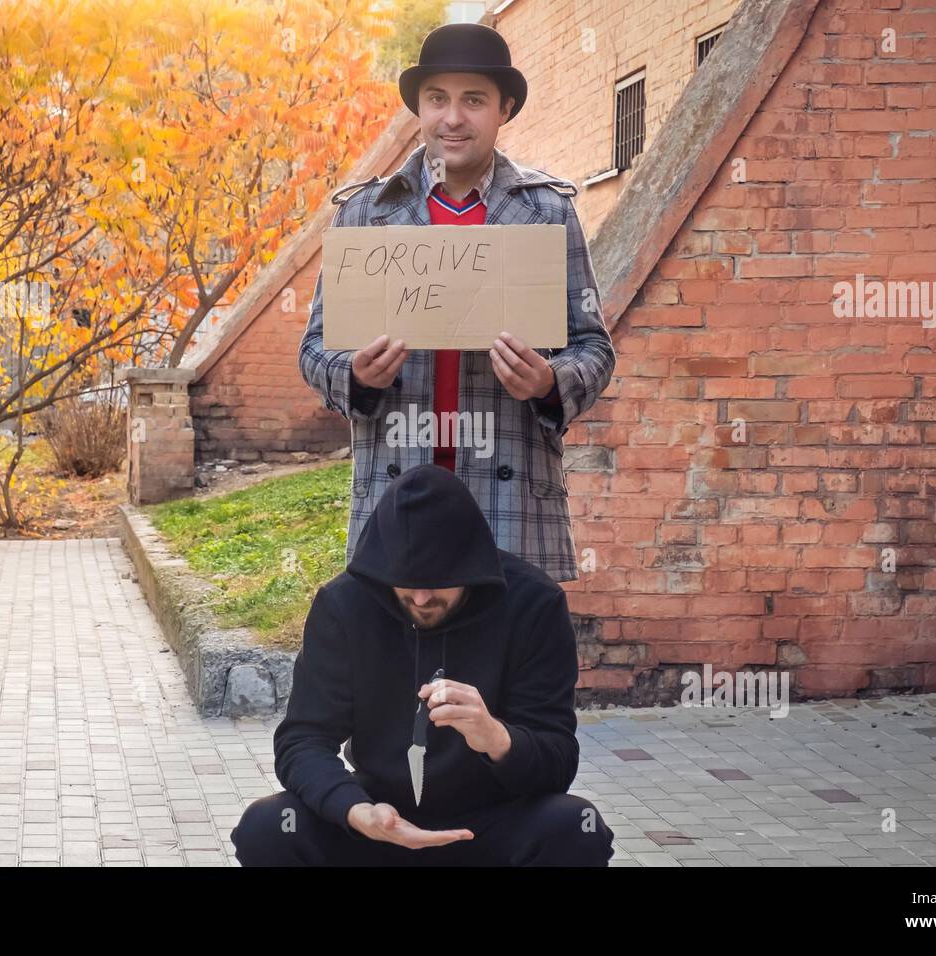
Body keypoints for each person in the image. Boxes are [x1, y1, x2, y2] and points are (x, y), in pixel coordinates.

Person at [298, 22, 616, 584]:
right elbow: (315, 350)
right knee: (404, 669)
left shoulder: (547, 211)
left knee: (506, 669)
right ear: (419, 109)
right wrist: (356, 376)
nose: (453, 118)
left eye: (474, 100)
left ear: (504, 109)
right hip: (399, 493)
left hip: (509, 497)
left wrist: (549, 382)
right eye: (437, 99)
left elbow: (594, 347)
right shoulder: (367, 213)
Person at [229, 464, 615, 866]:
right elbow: (302, 741)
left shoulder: (534, 603)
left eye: (439, 581)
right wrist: (356, 812)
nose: (421, 598)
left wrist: (496, 737)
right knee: (269, 824)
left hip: (493, 820)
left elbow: (557, 761)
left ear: (472, 565)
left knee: (577, 825)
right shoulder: (344, 605)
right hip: (380, 820)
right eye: (405, 582)